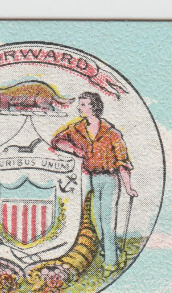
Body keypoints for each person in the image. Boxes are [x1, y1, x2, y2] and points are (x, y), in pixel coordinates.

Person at [51, 92, 136, 271]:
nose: (79, 107)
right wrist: (74, 149)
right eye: (80, 104)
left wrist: (128, 187)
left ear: (94, 107)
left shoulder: (111, 133)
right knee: (96, 221)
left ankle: (111, 263)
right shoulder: (77, 129)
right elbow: (57, 141)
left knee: (107, 221)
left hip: (110, 179)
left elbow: (122, 163)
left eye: (83, 104)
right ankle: (108, 250)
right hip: (88, 178)